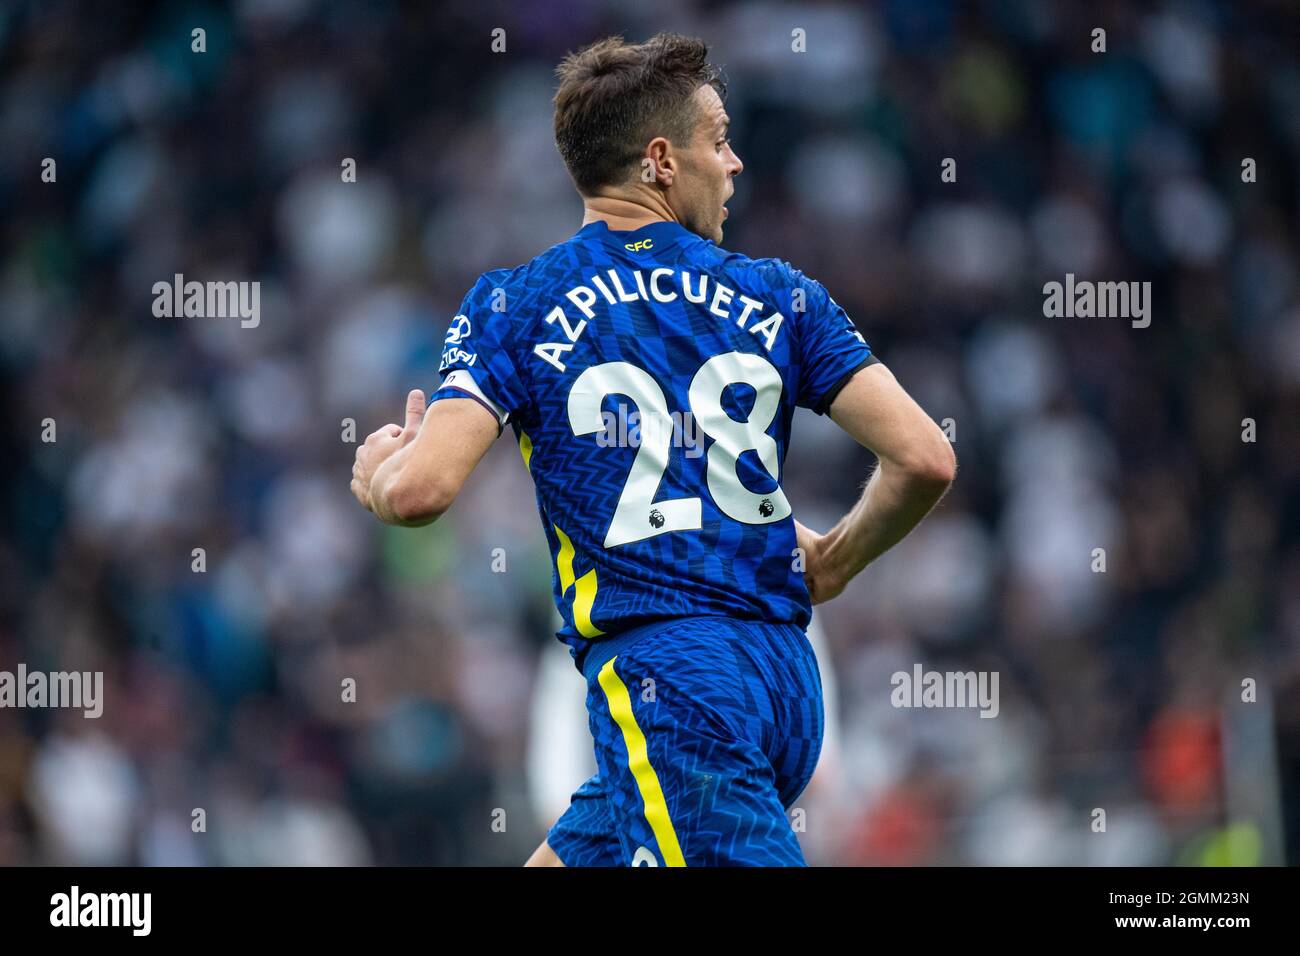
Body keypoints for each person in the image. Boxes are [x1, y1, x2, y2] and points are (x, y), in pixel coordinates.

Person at [350, 33, 955, 866]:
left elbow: (421, 493)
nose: (736, 163)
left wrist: (379, 473)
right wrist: (842, 560)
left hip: (669, 684)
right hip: (782, 687)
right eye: (721, 141)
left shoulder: (516, 303)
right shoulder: (783, 294)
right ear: (662, 162)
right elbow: (926, 458)